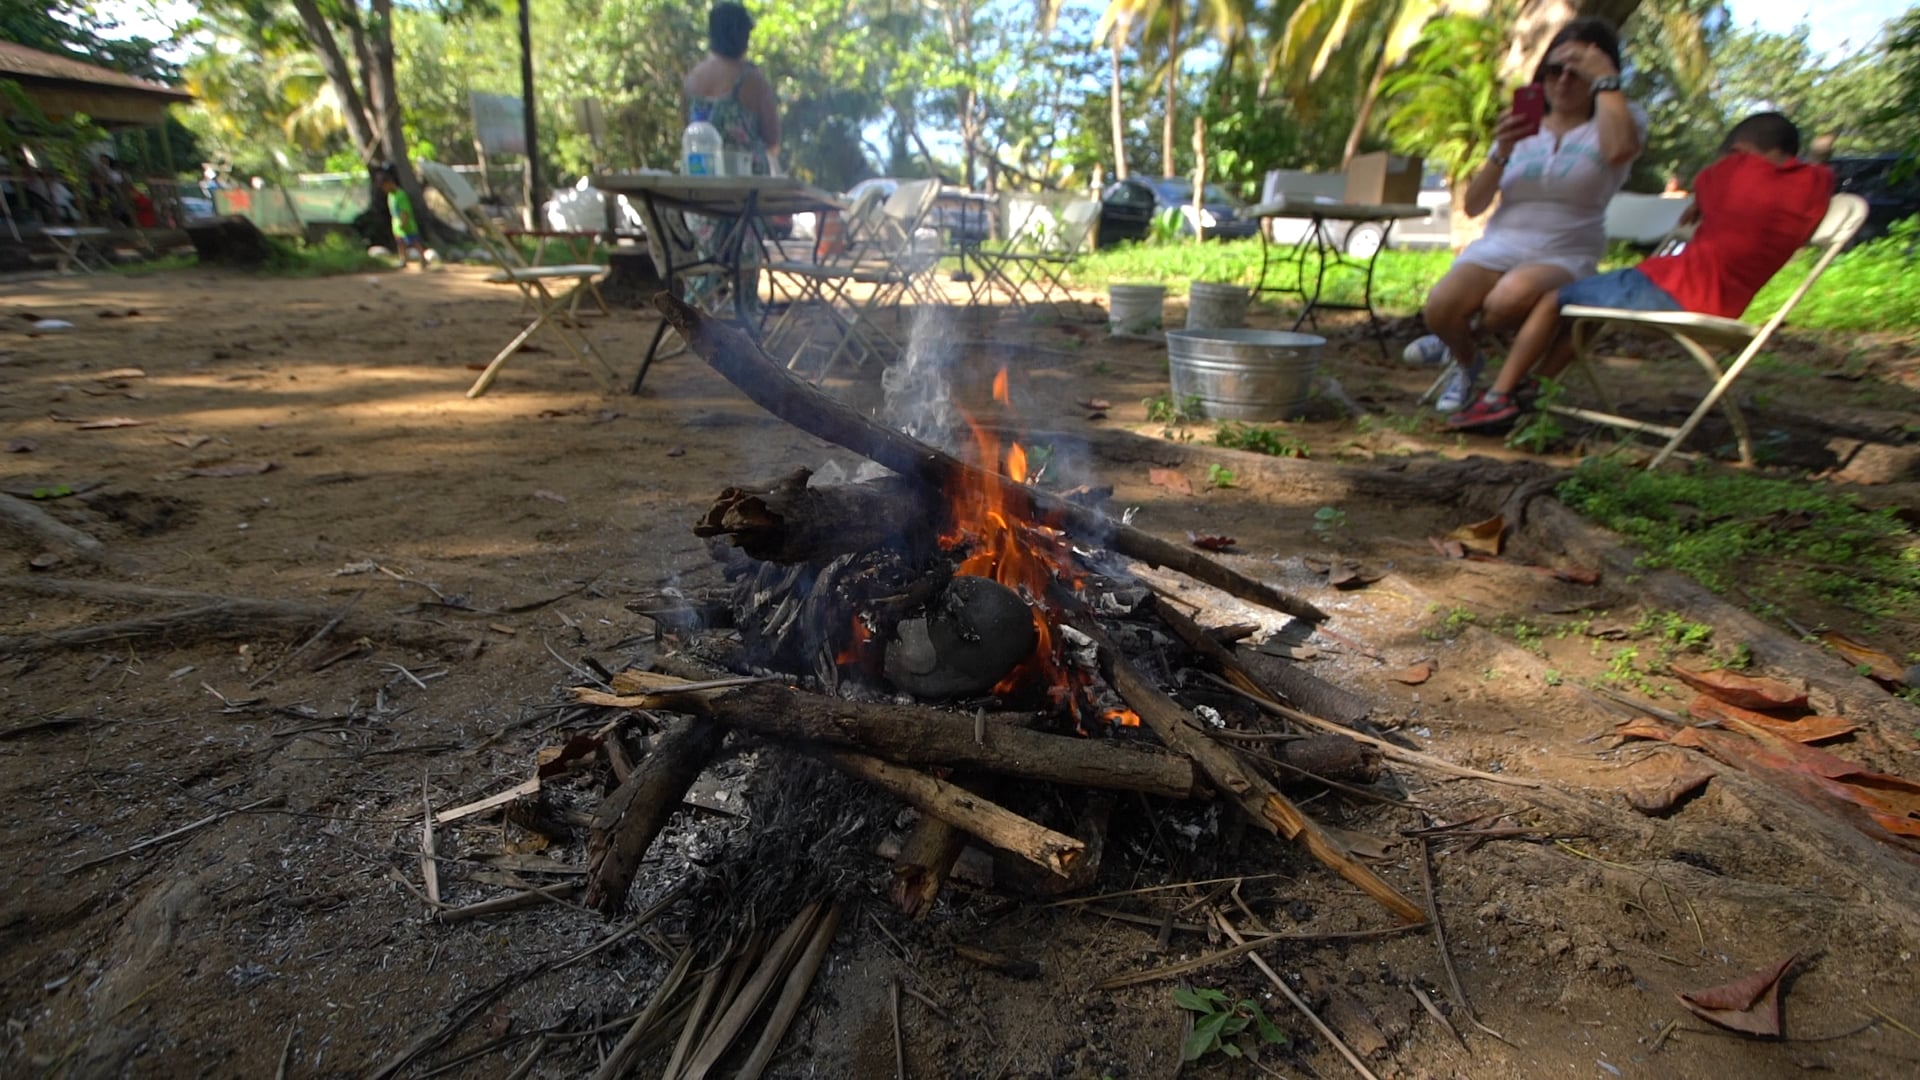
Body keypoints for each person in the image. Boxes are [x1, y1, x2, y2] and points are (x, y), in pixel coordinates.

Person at [1447, 112, 1834, 431]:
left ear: (1737, 151)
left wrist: (1707, 193)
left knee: (1556, 298)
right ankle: (1533, 389)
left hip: (1671, 287)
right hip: (1725, 309)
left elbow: (1709, 186)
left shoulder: (1728, 173)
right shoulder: (1815, 186)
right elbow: (1817, 167)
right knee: (1590, 305)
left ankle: (1498, 396)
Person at [1404, 17, 1646, 412]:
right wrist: (1501, 150)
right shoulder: (1522, 126)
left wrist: (1605, 79)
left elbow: (1620, 151)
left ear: (1603, 77)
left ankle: (1458, 343)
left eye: (1578, 71)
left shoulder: (1620, 120)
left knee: (1509, 296)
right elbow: (1474, 205)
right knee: (1441, 305)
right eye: (1555, 69)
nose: (1564, 80)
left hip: (1565, 252)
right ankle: (1466, 360)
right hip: (1501, 244)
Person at [683, 3, 782, 176]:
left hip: (701, 187)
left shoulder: (691, 80)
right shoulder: (753, 80)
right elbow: (772, 140)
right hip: (747, 189)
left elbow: (686, 132)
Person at [379, 169, 430, 269]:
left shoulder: (401, 195)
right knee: (400, 243)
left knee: (415, 242)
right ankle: (403, 260)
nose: (384, 189)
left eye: (384, 186)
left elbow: (405, 211)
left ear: (389, 183)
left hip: (407, 224)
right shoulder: (390, 196)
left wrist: (403, 222)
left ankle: (423, 259)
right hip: (396, 224)